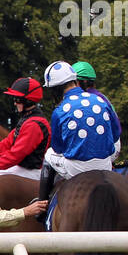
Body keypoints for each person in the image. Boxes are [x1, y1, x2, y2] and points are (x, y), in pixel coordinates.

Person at [37, 61, 118, 211]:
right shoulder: (101, 100)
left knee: (49, 155)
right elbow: (116, 133)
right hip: (105, 165)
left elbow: (58, 148)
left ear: (56, 89)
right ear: (74, 80)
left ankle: (41, 204)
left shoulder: (59, 111)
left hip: (77, 169)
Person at [0, 78, 51, 180]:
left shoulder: (34, 125)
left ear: (28, 101)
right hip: (21, 169)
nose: (15, 103)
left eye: (17, 99)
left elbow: (16, 154)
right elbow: (7, 143)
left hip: (31, 173)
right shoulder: (27, 119)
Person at [72, 61, 122, 156]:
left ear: (83, 81)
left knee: (51, 155)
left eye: (74, 82)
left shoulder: (88, 100)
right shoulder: (99, 96)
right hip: (111, 145)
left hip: (106, 147)